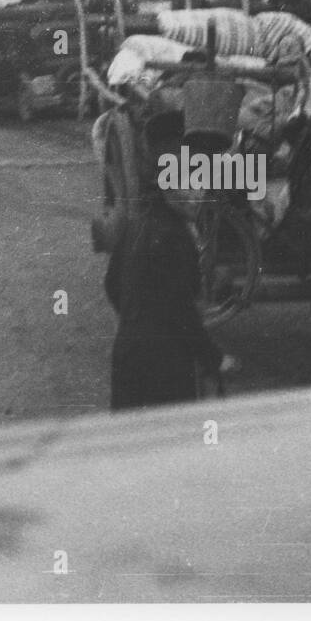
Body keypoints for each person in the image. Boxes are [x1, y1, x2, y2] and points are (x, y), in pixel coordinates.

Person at [105, 112, 239, 410]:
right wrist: (215, 359)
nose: (196, 196)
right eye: (189, 186)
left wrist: (136, 315)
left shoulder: (137, 223)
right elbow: (181, 314)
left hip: (127, 355)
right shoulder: (176, 238)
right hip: (163, 369)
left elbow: (112, 284)